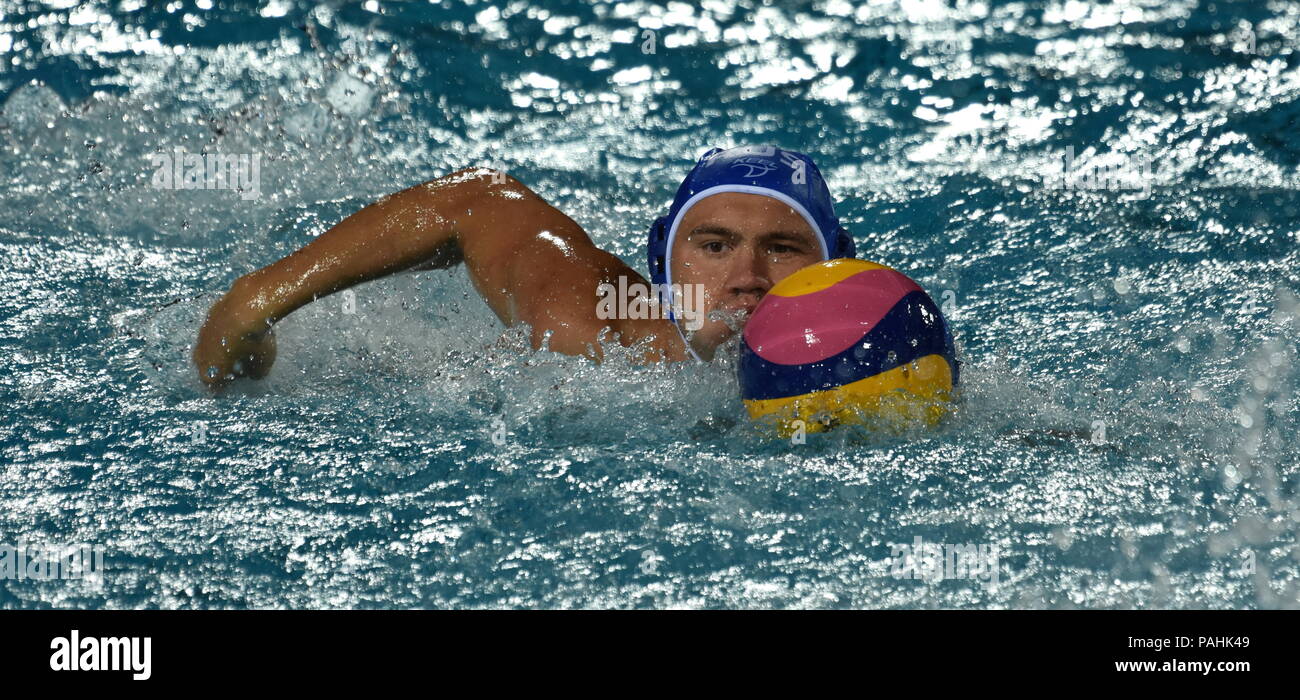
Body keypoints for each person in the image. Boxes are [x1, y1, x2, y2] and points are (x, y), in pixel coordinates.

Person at [192, 144, 856, 389]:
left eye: (783, 248)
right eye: (713, 247)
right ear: (663, 264)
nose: (746, 277)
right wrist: (259, 298)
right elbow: (478, 198)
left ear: (838, 268)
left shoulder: (892, 358)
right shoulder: (595, 341)